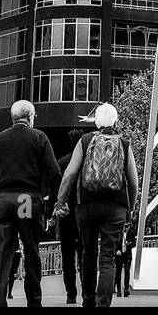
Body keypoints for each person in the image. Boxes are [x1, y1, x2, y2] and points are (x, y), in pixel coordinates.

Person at [54, 103, 137, 308]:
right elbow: (133, 180)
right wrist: (130, 206)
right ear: (115, 121)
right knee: (107, 256)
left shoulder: (85, 141)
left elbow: (70, 173)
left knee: (88, 253)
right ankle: (103, 303)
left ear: (97, 122)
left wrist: (61, 200)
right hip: (115, 206)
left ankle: (88, 300)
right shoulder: (124, 144)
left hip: (86, 205)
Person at [0, 99, 60, 308]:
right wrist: (51, 204)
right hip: (25, 199)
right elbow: (54, 174)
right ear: (31, 116)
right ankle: (34, 301)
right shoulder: (39, 138)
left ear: (12, 118)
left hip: (1, 200)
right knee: (30, 248)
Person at [55, 129, 86, 304]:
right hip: (83, 212)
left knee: (67, 256)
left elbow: (56, 188)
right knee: (86, 253)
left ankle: (70, 293)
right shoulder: (87, 162)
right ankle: (87, 289)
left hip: (66, 213)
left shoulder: (62, 162)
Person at [114, 222, 134, 298]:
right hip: (119, 255)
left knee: (127, 271)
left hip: (127, 254)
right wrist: (117, 250)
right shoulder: (118, 233)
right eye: (125, 226)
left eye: (127, 226)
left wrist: (130, 243)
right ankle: (118, 289)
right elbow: (115, 242)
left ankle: (126, 289)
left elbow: (134, 243)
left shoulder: (131, 233)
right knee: (118, 272)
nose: (126, 228)